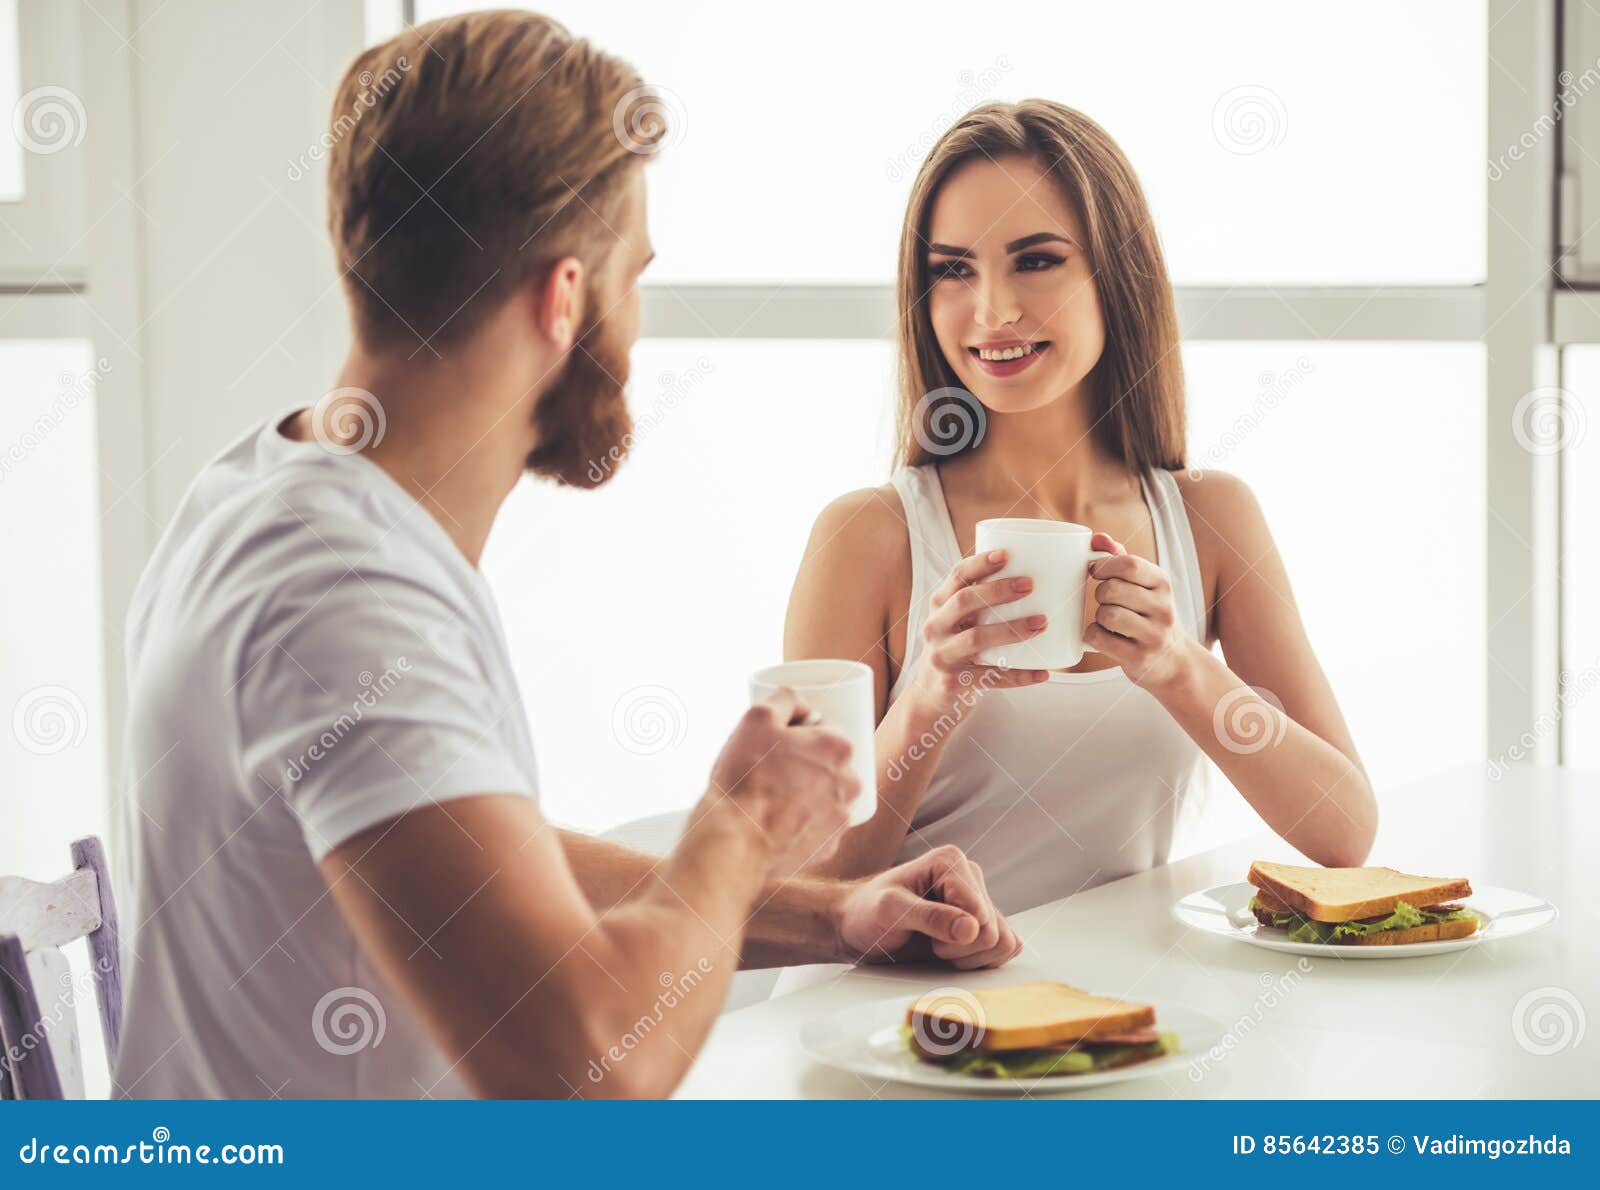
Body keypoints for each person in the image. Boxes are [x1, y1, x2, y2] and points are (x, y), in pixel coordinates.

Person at [112, 10, 1019, 1102]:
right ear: (565, 295)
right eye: (632, 277)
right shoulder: (347, 596)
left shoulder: (266, 492)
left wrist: (835, 912)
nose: (636, 330)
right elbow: (586, 1064)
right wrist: (741, 826)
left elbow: (462, 851)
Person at [784, 100, 1378, 915]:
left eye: (1036, 260)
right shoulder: (866, 537)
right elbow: (806, 888)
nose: (992, 309)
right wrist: (933, 691)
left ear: (1117, 274)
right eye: (952, 269)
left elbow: (1343, 834)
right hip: (888, 1026)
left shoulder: (1211, 521)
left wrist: (1178, 666)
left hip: (1103, 1021)